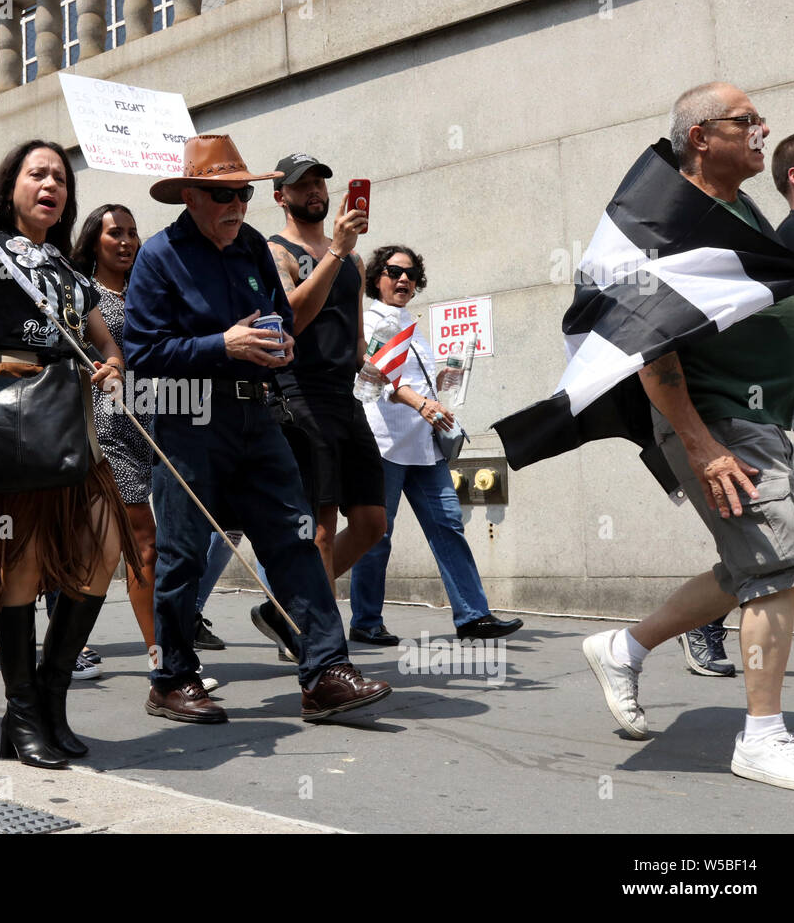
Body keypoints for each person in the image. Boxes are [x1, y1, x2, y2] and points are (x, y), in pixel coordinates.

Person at [582, 82, 794, 791]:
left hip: (764, 417)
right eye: (747, 121)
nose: (762, 130)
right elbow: (647, 344)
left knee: (754, 564)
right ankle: (762, 738)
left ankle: (625, 645)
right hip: (718, 421)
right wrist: (703, 445)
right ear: (702, 136)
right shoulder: (668, 219)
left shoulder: (737, 205)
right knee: (781, 564)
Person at [124, 133, 392, 724]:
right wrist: (223, 344)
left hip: (260, 413)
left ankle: (323, 672)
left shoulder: (249, 247)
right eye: (223, 196)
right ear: (190, 196)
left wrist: (279, 347)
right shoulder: (159, 255)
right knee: (183, 552)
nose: (237, 206)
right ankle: (171, 678)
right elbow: (142, 351)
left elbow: (281, 318)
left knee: (294, 541)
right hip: (189, 416)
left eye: (244, 194)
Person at [0, 139, 142, 768]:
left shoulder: (67, 269)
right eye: (37, 174)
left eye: (59, 178)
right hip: (13, 425)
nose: (50, 186)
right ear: (11, 186)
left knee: (105, 543)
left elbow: (105, 342)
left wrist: (111, 365)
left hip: (74, 428)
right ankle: (23, 713)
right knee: (23, 564)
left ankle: (49, 698)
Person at [349, 245, 523, 642]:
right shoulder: (372, 320)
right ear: (377, 277)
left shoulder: (409, 322)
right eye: (394, 272)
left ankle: (472, 615)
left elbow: (412, 379)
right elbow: (378, 377)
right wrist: (421, 402)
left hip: (424, 446)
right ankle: (366, 621)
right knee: (375, 533)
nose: (403, 280)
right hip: (386, 444)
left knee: (448, 525)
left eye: (410, 274)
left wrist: (440, 380)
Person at [260, 152, 386, 649]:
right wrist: (334, 250)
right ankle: (321, 641)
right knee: (320, 524)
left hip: (343, 395)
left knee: (372, 522)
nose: (314, 190)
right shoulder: (275, 251)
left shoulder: (352, 258)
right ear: (280, 196)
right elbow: (292, 318)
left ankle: (284, 609)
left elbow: (352, 333)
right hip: (298, 393)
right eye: (302, 184)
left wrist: (370, 364)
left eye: (319, 182)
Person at [69, 204, 158, 665]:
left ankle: (67, 638)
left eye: (132, 232)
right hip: (106, 426)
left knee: (100, 542)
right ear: (94, 241)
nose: (125, 241)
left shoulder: (149, 290)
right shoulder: (83, 295)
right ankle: (160, 654)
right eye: (114, 233)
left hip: (158, 424)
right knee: (141, 538)